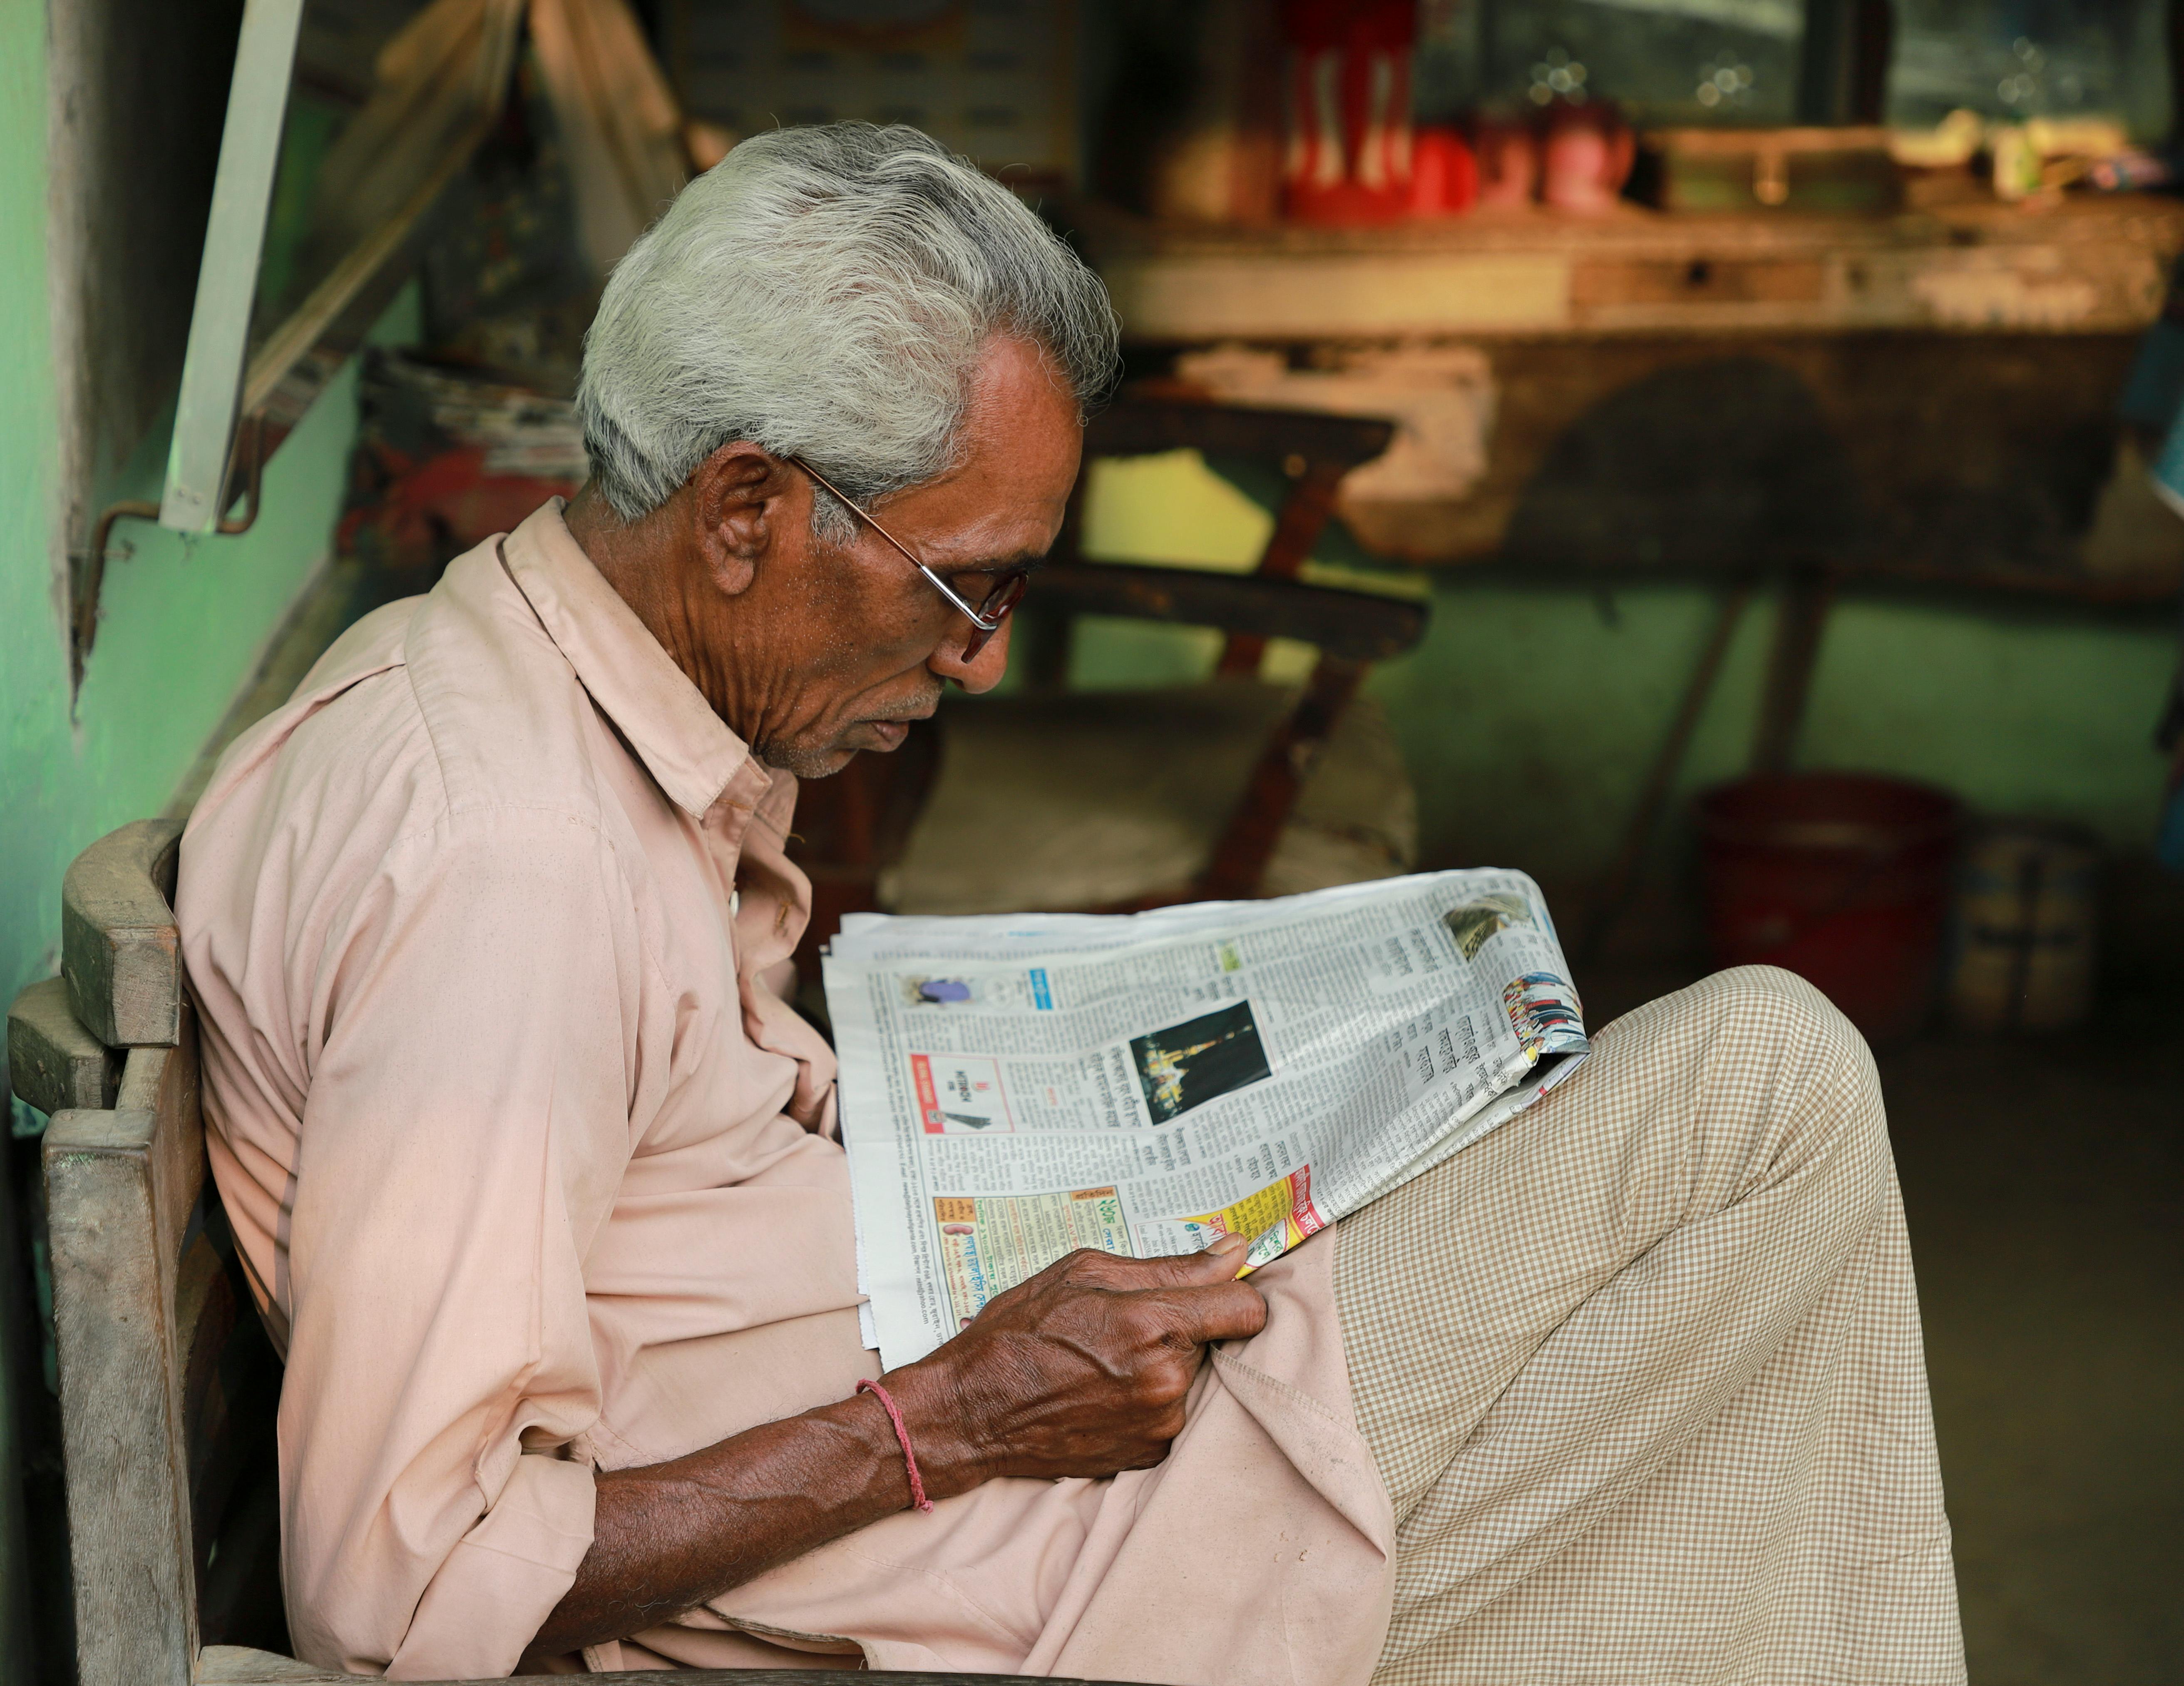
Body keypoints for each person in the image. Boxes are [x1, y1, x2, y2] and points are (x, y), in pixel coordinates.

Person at [178, 124, 1965, 1685]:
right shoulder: (511, 864)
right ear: (744, 510)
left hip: (996, 1375)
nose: (985, 657)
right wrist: (950, 1414)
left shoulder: (524, 685)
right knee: (1759, 1099)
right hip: (1051, 1521)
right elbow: (402, 1587)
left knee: (1688, 1367)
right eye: (970, 585)